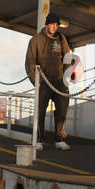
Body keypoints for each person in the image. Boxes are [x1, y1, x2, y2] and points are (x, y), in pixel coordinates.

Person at [24, 11, 73, 151]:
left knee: (62, 109)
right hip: (43, 82)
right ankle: (39, 139)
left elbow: (67, 56)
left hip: (59, 81)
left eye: (56, 25)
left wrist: (67, 75)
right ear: (46, 24)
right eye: (52, 24)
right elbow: (30, 62)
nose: (54, 27)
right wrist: (36, 81)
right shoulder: (35, 40)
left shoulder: (61, 38)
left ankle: (59, 139)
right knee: (40, 111)